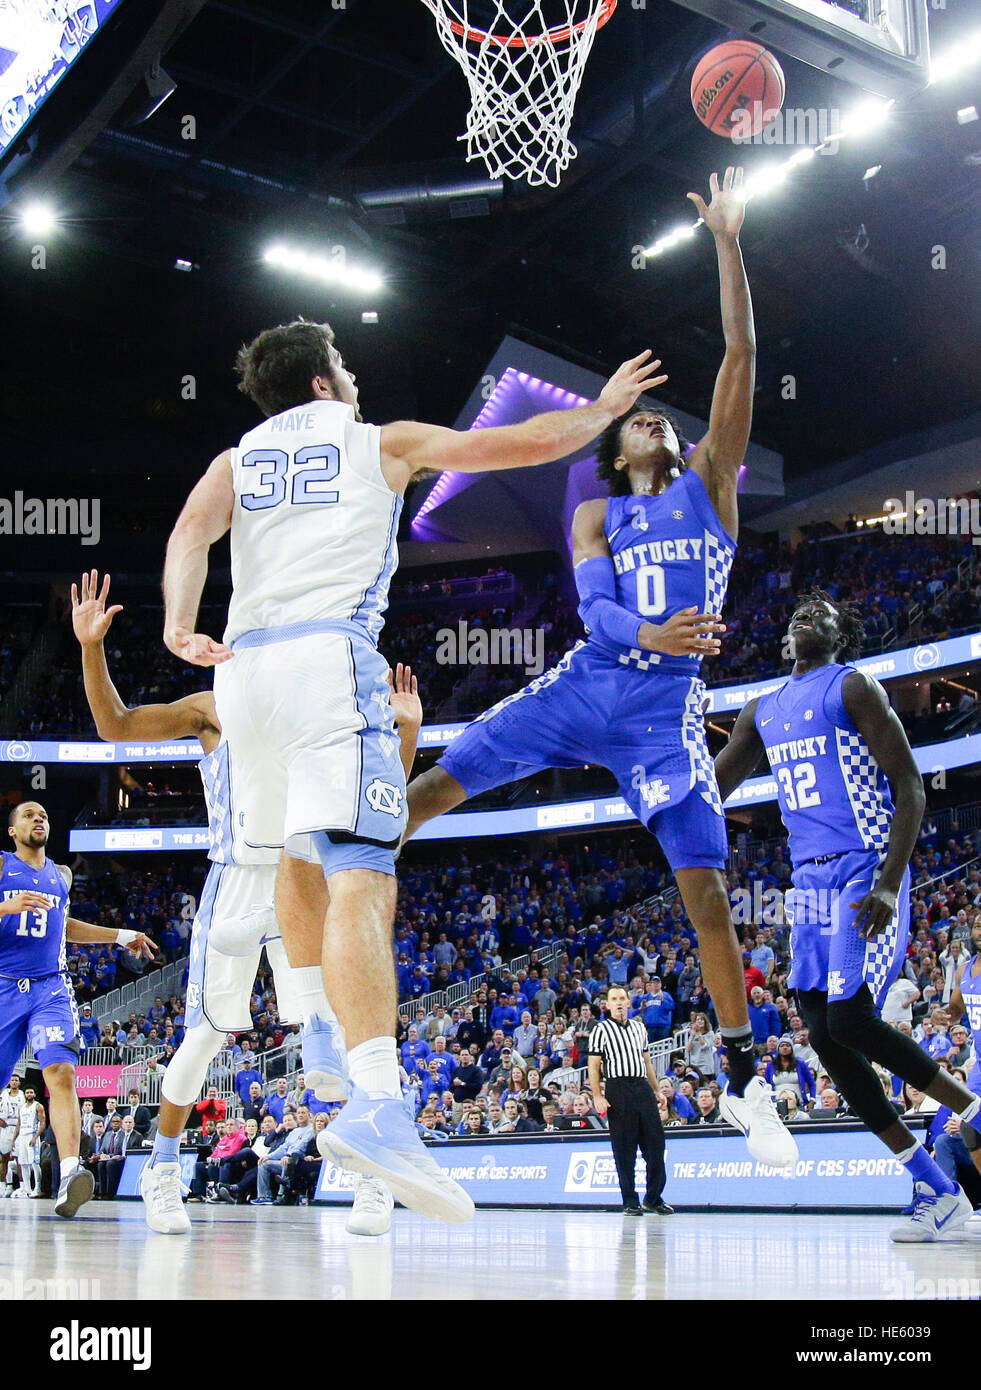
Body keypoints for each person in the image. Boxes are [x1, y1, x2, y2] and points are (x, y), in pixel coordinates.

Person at [161, 312, 663, 1226]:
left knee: (289, 855)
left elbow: (190, 536)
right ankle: (382, 1106)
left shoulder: (234, 460)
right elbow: (507, 444)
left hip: (243, 677)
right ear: (322, 382)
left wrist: (176, 625)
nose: (352, 376)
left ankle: (317, 1019)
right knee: (362, 871)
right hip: (325, 661)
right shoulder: (375, 439)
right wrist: (599, 411)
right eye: (343, 364)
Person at [405, 170, 793, 1175]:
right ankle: (338, 856)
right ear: (618, 450)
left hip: (663, 720)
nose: (653, 421)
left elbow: (742, 354)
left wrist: (728, 244)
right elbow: (592, 606)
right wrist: (650, 634)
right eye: (639, 422)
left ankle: (748, 1082)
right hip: (587, 681)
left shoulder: (711, 486)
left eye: (662, 416)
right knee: (443, 783)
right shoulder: (596, 513)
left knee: (707, 889)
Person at [71, 572, 403, 1237]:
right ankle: (164, 1171)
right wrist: (89, 647)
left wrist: (405, 729)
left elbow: (380, 791)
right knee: (202, 1037)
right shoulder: (209, 705)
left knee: (339, 1031)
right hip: (236, 878)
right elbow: (114, 726)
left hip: (303, 876)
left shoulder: (318, 705)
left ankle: (371, 1178)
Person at [716, 591, 981, 1242]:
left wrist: (890, 883)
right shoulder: (759, 710)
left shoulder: (853, 687)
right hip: (805, 882)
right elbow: (709, 789)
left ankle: (973, 1111)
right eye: (798, 611)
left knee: (849, 1016)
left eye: (823, 611)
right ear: (784, 642)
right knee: (822, 1031)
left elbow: (910, 785)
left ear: (840, 636)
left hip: (865, 866)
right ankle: (933, 1187)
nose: (808, 613)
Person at [0, 801, 156, 1217]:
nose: (39, 819)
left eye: (44, 815)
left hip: (50, 987)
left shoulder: (60, 876)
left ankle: (70, 1172)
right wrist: (4, 907)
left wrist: (121, 934)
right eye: (29, 814)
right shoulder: (1, 867)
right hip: (3, 987)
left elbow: (64, 926)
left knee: (62, 1072)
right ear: (12, 830)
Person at [587, 986, 672, 1215]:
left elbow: (647, 1061)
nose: (619, 1002)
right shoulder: (600, 1030)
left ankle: (653, 1198)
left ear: (629, 1001)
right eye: (614, 999)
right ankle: (630, 1200)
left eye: (622, 998)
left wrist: (656, 1091)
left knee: (656, 1145)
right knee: (624, 1149)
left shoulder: (639, 1027)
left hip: (642, 1086)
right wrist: (597, 1095)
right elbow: (594, 1066)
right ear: (607, 1004)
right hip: (617, 1088)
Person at [0, 1072, 26, 1196]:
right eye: (12, 1080)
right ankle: (3, 1186)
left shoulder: (23, 1095)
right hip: (6, 1127)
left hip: (19, 1128)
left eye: (16, 1080)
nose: (14, 1082)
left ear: (19, 1083)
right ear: (9, 1082)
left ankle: (22, 1187)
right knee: (3, 1158)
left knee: (19, 1159)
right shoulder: (3, 1095)